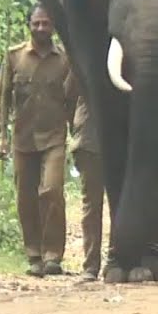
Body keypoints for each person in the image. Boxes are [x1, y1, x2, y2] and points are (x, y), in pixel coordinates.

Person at [0, 6, 75, 277]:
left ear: (53, 27)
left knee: (51, 191)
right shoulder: (14, 57)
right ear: (29, 25)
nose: (41, 28)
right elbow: (1, 98)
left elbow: (73, 99)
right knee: (25, 198)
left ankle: (53, 256)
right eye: (37, 23)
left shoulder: (64, 59)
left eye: (46, 24)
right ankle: (34, 255)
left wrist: (77, 132)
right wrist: (0, 136)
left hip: (54, 138)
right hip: (22, 139)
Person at [63, 74, 105, 282]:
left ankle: (120, 257)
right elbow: (69, 97)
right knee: (92, 203)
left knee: (116, 203)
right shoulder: (82, 60)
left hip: (114, 140)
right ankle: (91, 264)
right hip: (90, 141)